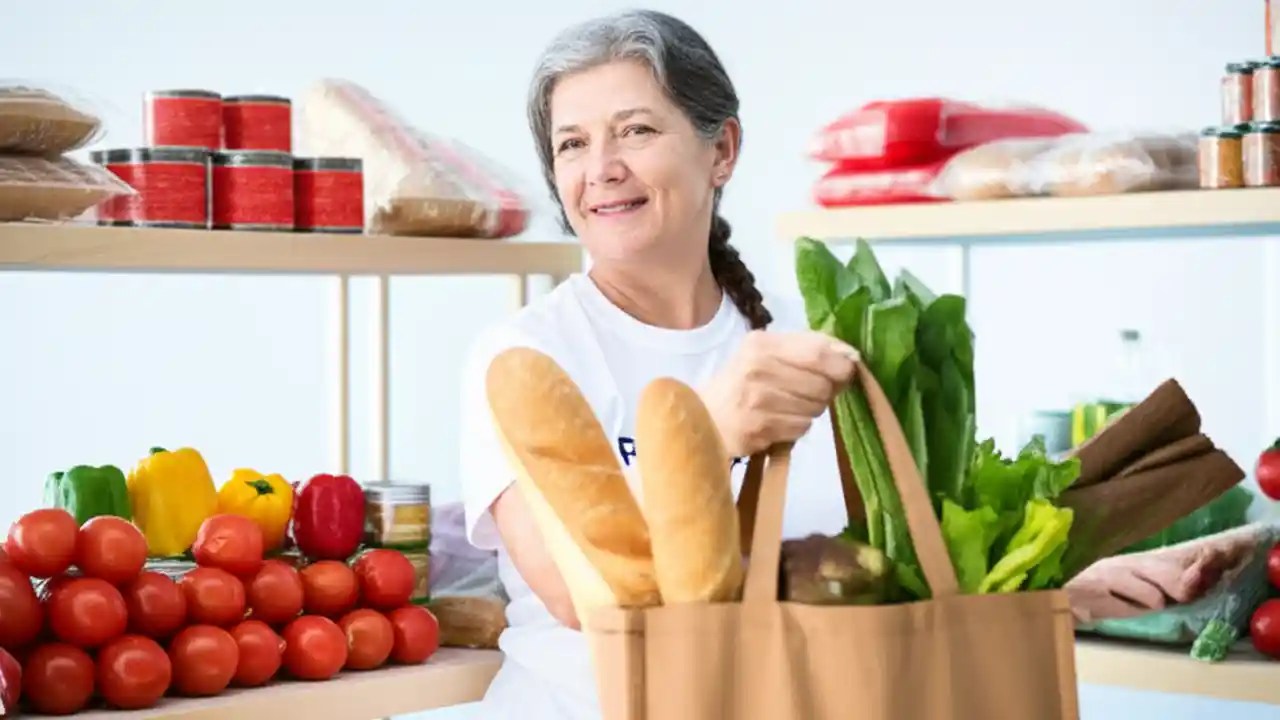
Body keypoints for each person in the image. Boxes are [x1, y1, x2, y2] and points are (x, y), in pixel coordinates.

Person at [458, 9, 1233, 718]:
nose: (602, 168)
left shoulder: (818, 346)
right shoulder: (527, 358)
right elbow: (577, 594)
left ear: (721, 149)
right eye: (572, 143)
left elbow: (881, 566)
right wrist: (707, 438)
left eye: (634, 131)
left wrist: (1050, 585)